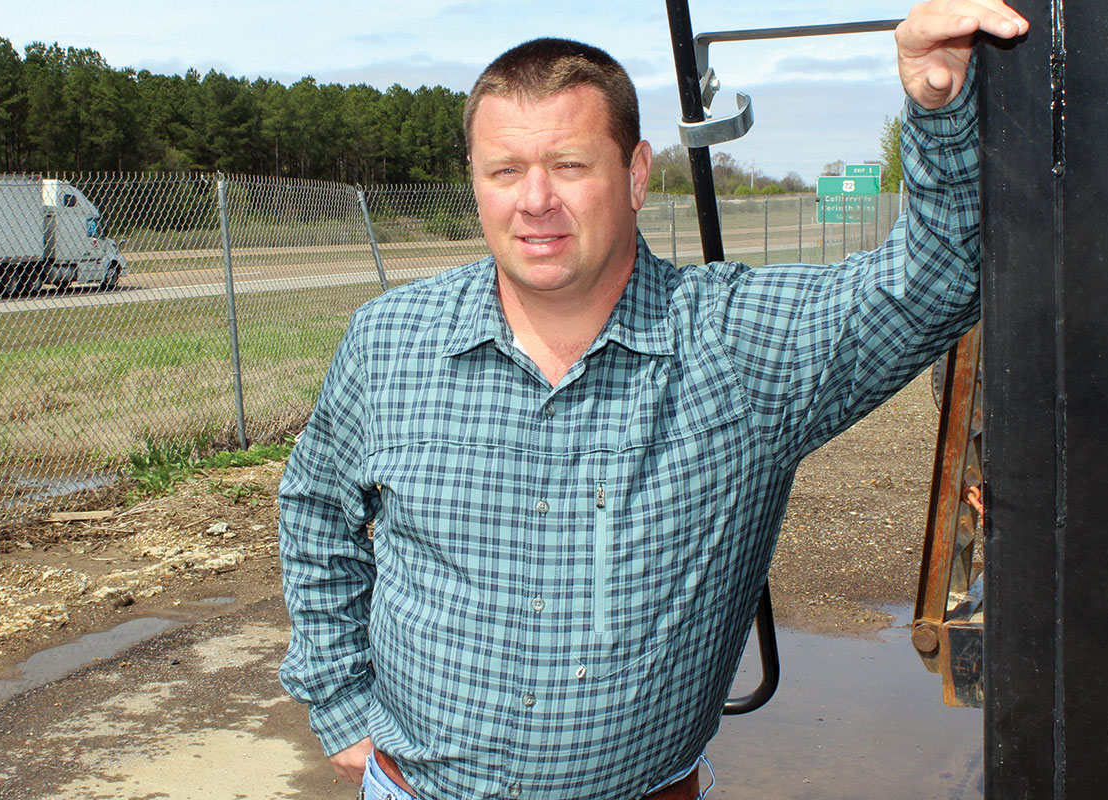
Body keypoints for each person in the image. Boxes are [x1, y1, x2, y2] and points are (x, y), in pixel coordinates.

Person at [278, 2, 1028, 798]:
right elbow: (316, 508)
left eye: (570, 164)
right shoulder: (389, 342)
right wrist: (340, 701)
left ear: (635, 175)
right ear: (476, 181)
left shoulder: (739, 348)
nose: (535, 199)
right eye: (505, 170)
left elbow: (940, 278)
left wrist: (938, 104)